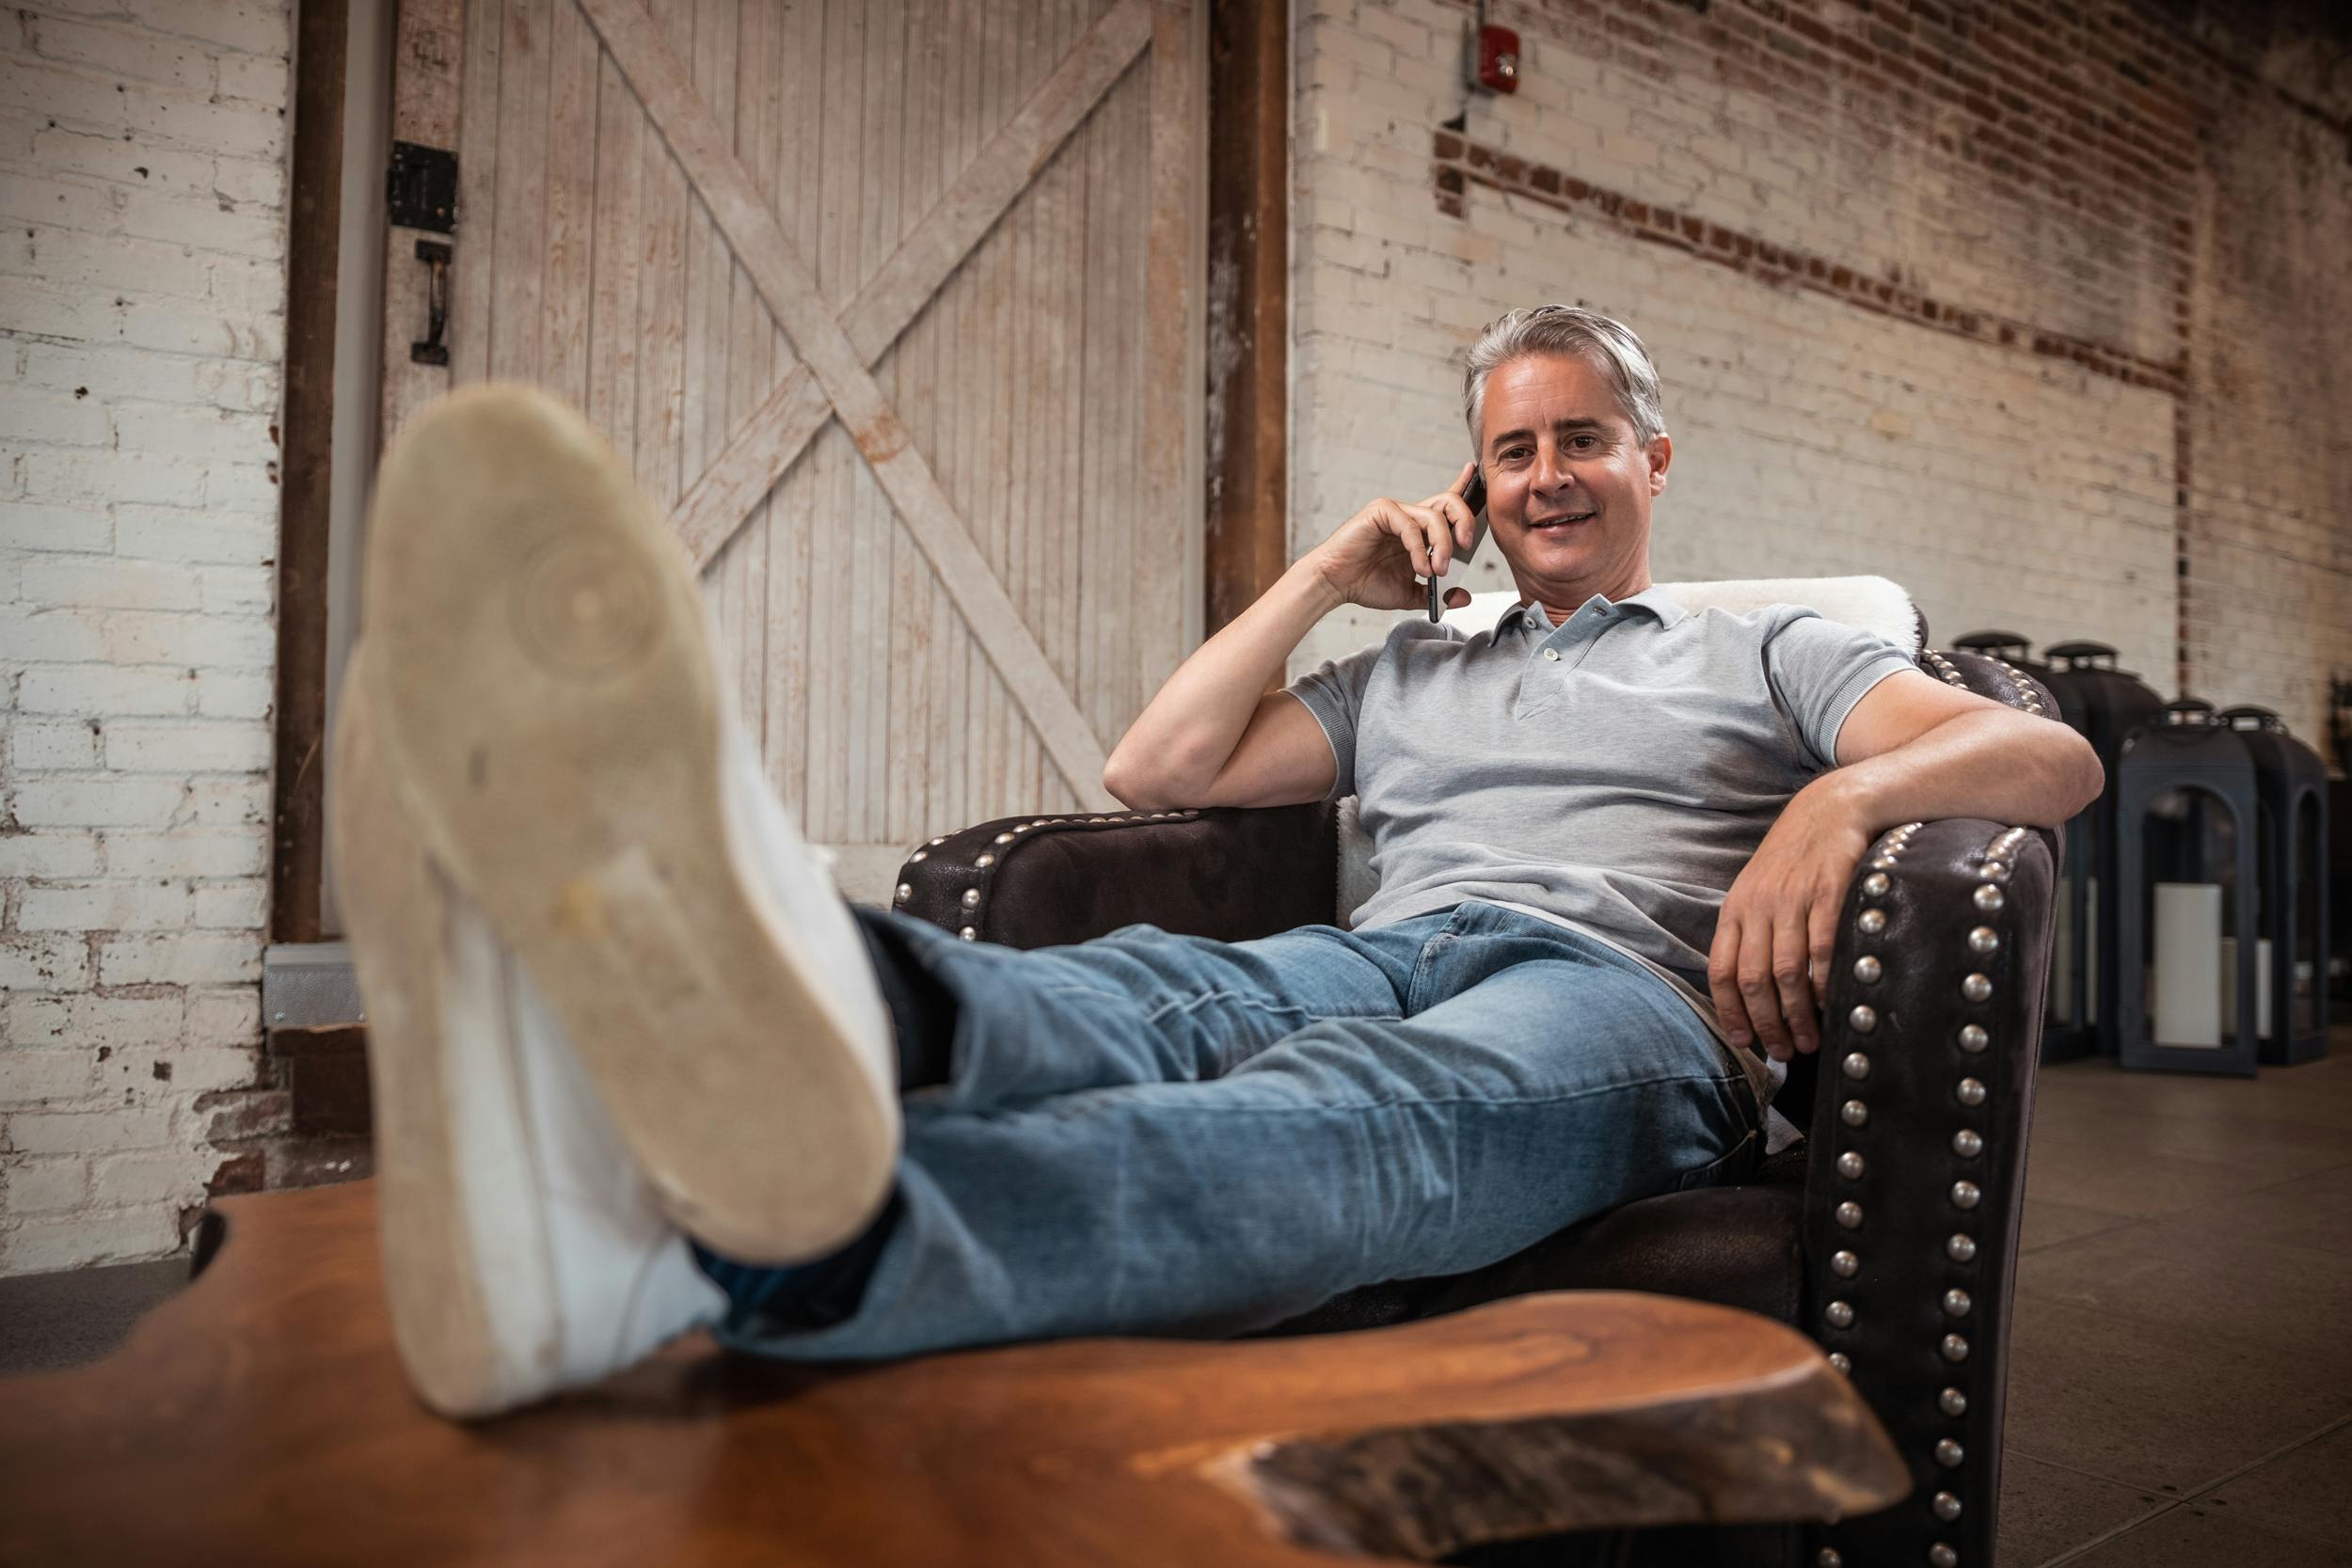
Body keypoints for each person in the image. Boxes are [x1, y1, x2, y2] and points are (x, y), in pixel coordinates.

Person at [332, 306, 2103, 1418]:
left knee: (1366, 1115)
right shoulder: (1415, 669)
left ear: (1654, 458)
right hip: (1385, 947)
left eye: (1582, 440)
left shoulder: (1768, 646)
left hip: (1615, 1002)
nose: (1548, 475)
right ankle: (796, 989)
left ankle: (721, 1251)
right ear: (1477, 484)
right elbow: (1156, 765)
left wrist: (1832, 806)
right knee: (1149, 996)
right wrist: (1330, 575)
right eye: (1513, 450)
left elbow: (2053, 757)